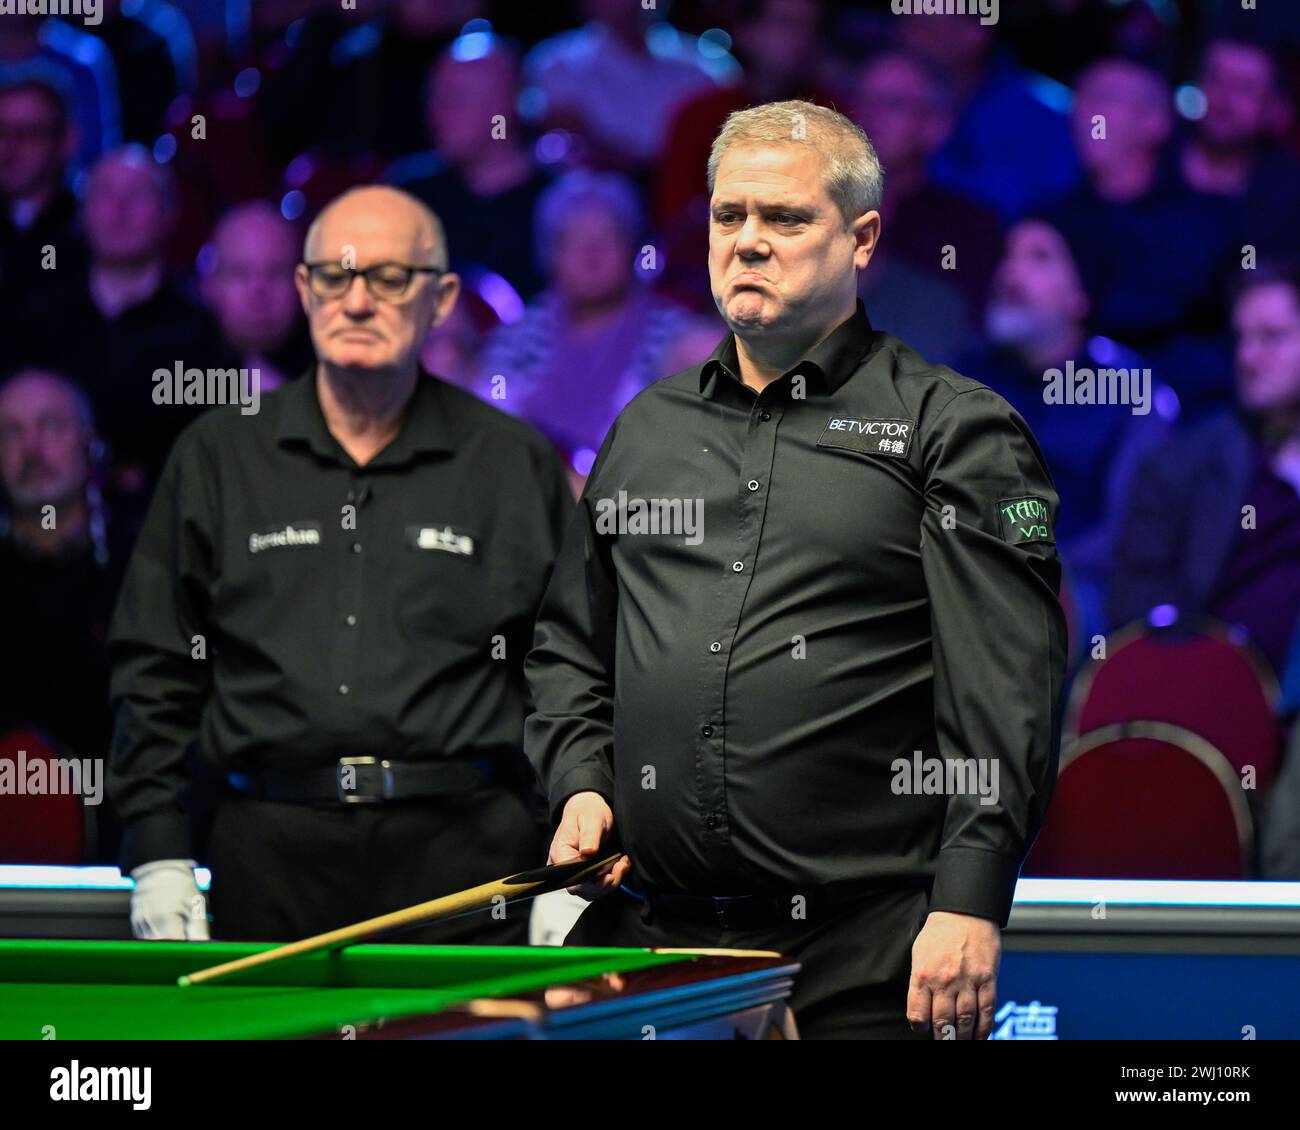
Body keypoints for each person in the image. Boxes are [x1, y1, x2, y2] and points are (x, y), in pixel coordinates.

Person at [525, 101, 1067, 1039]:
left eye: (785, 219)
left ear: (862, 240)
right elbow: (572, 642)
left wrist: (972, 897)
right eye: (728, 216)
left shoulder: (954, 431)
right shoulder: (648, 430)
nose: (748, 243)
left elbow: (1006, 690)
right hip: (657, 948)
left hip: (870, 953)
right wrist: (582, 779)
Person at [108, 185, 571, 943]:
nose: (357, 302)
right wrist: (156, 850)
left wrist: (567, 859)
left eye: (389, 278)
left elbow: (572, 673)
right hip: (268, 857)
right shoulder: (221, 456)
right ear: (303, 290)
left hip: (468, 863)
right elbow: (153, 664)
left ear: (443, 299)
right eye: (334, 276)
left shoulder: (510, 463)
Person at [1107, 265, 1300, 681]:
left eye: (1271, 337)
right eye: (1242, 339)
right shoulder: (1182, 464)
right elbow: (1133, 598)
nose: (1248, 357)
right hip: (1208, 691)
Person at [474, 169, 714, 480]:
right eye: (574, 240)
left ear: (631, 248)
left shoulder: (678, 337)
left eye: (607, 238)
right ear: (550, 253)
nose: (591, 255)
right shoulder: (518, 337)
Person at [0, 369, 140, 862]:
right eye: (11, 432)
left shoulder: (142, 559)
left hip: (125, 854)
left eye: (51, 426)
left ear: (91, 445)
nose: (32, 448)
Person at [199, 202, 314, 393]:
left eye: (276, 272)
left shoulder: (340, 372)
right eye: (240, 273)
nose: (259, 292)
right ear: (209, 284)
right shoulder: (167, 371)